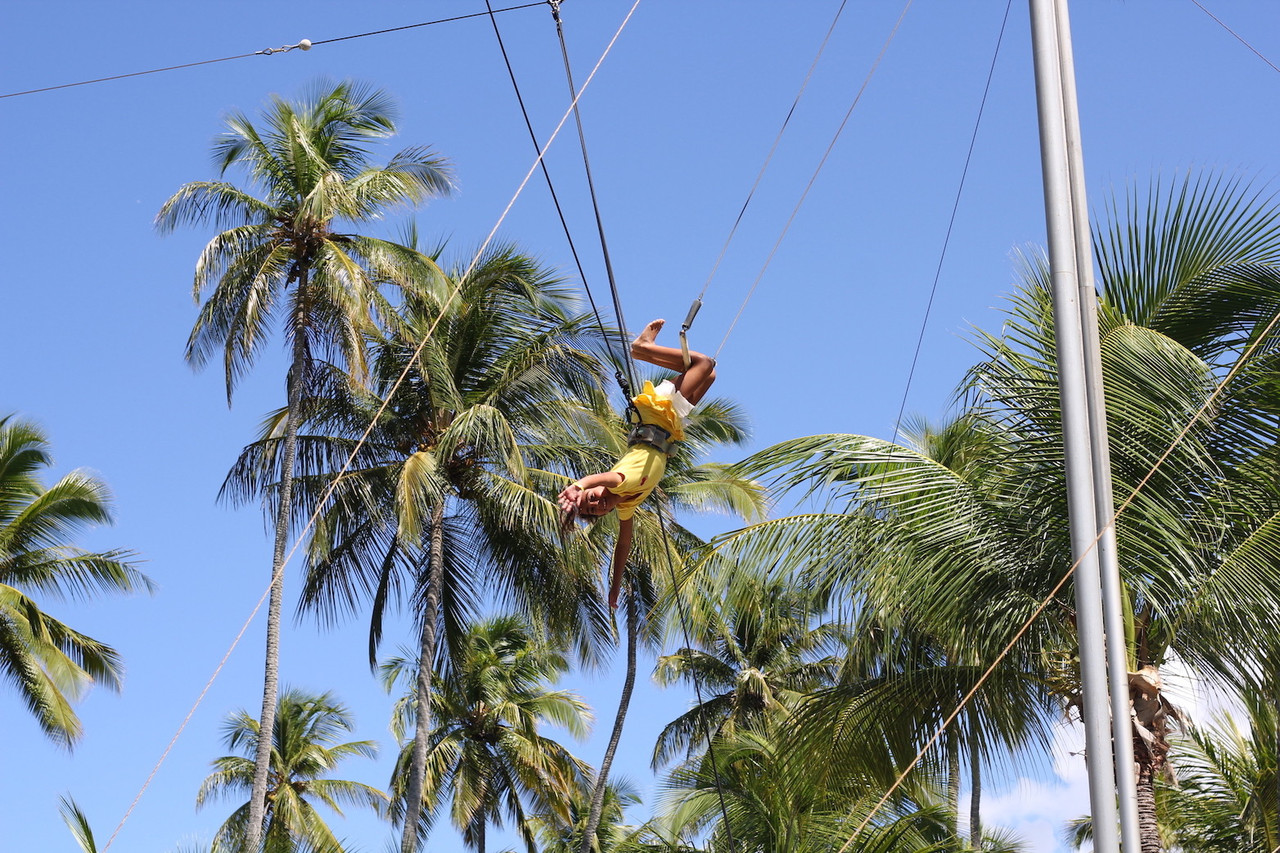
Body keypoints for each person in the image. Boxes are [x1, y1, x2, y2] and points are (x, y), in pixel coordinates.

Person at [558, 319, 717, 608]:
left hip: (656, 412)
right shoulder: (627, 504)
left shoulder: (622, 480)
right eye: (595, 510)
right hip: (669, 422)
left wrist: (577, 487)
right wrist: (614, 588)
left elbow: (601, 477)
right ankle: (645, 349)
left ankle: (642, 349)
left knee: (703, 363)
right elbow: (623, 546)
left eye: (591, 500)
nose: (598, 503)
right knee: (709, 374)